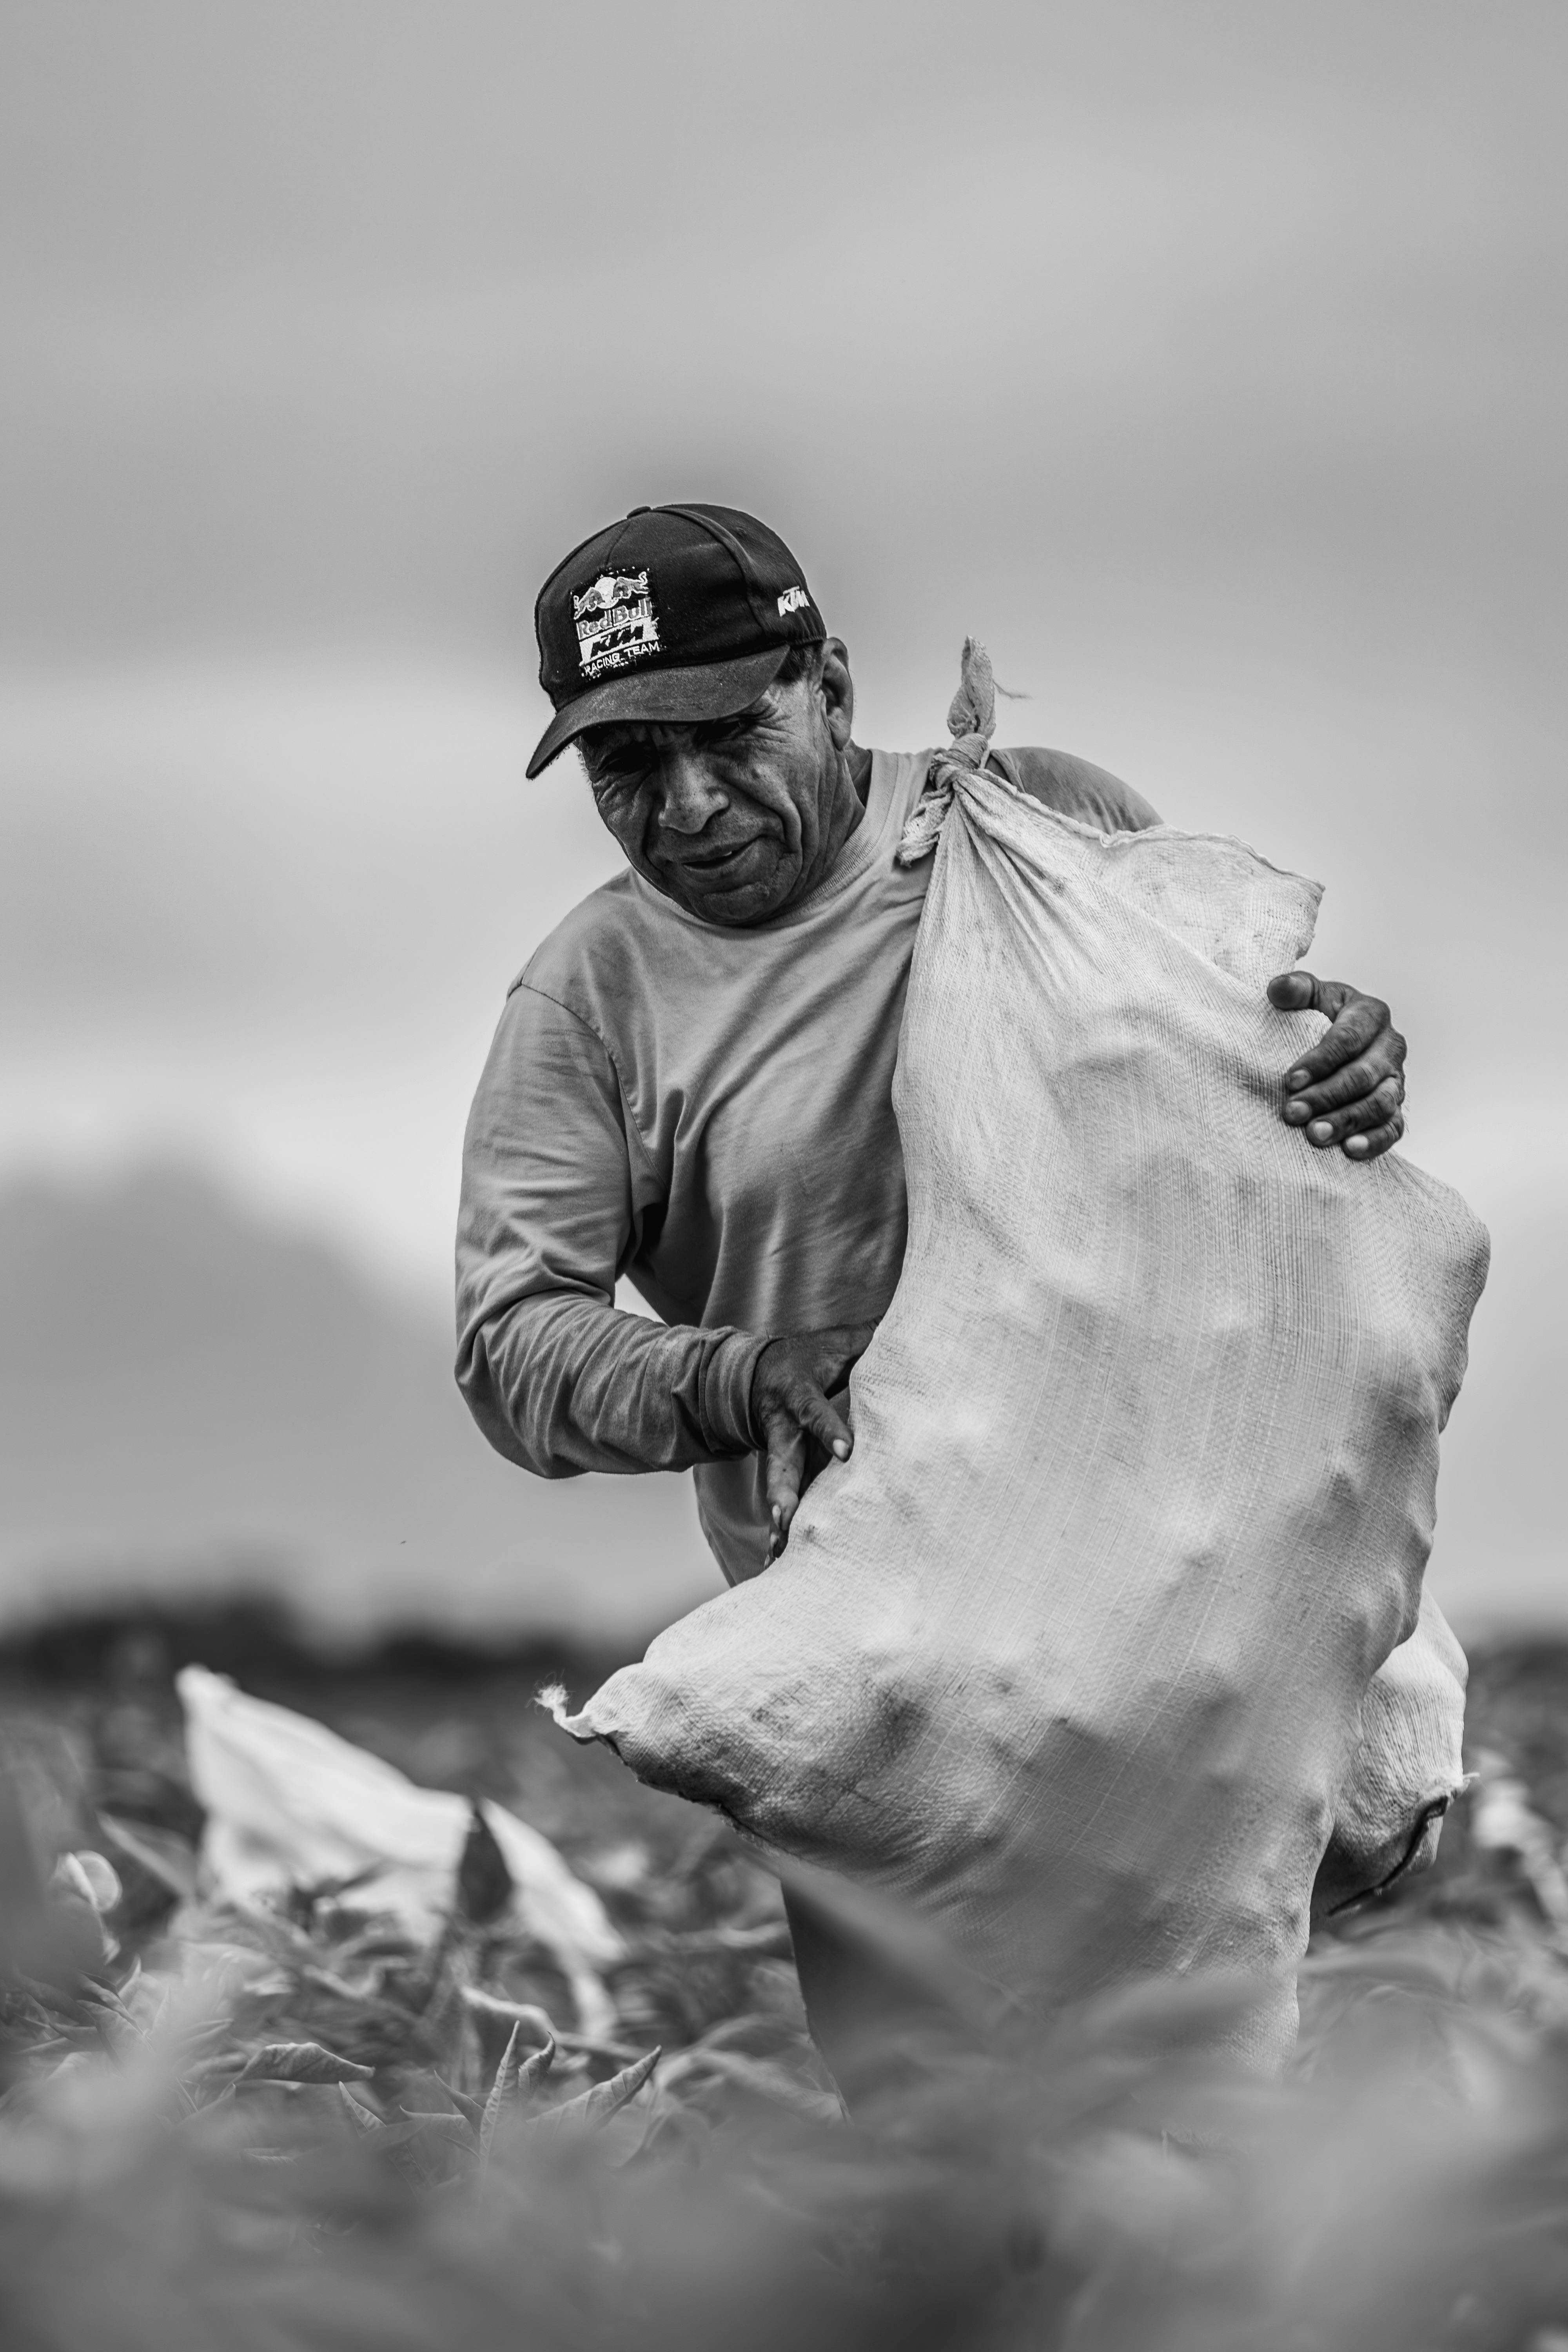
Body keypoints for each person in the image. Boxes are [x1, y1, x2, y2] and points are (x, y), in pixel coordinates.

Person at [455, 503, 1411, 2076]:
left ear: (825, 679)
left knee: (1241, 2167)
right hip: (885, 1692)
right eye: (629, 769)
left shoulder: (1036, 834)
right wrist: (738, 1376)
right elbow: (510, 1348)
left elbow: (1244, 1129)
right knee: (949, 2200)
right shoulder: (591, 1000)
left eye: (726, 733)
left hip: (1171, 1614)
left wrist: (1345, 1076)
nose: (687, 807)